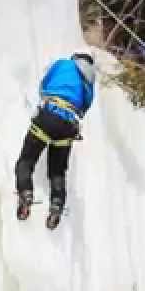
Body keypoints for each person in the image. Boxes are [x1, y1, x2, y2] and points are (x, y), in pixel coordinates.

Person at [15, 50, 97, 229]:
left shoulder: (63, 64)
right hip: (68, 125)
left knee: (26, 161)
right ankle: (56, 206)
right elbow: (86, 105)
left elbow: (44, 84)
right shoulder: (89, 80)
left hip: (48, 115)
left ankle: (26, 194)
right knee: (57, 172)